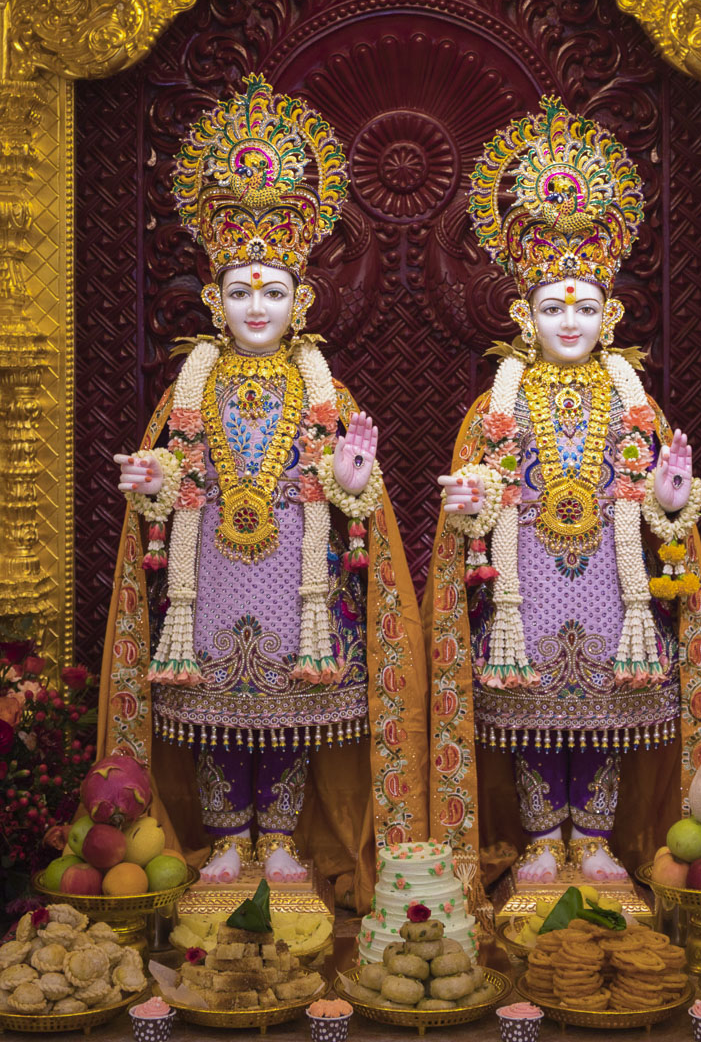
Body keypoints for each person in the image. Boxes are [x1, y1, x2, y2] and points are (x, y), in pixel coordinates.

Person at [97, 75, 428, 904]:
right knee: (215, 714)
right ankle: (221, 841)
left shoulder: (324, 393)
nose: (256, 306)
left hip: (298, 586)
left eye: (273, 292)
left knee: (289, 713)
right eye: (240, 291)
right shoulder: (187, 390)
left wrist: (353, 480)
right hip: (205, 582)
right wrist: (151, 483)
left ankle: (277, 838)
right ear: (214, 299)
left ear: (302, 299)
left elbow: (359, 502)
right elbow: (172, 479)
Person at [428, 98, 701, 883]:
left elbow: (671, 519)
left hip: (614, 592)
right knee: (532, 723)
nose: (570, 320)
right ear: (524, 315)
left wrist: (670, 497)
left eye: (586, 307)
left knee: (603, 719)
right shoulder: (494, 407)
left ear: (613, 314)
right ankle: (536, 846)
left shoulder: (636, 404)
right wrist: (470, 506)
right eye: (553, 306)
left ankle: (592, 844)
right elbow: (478, 502)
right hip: (524, 597)